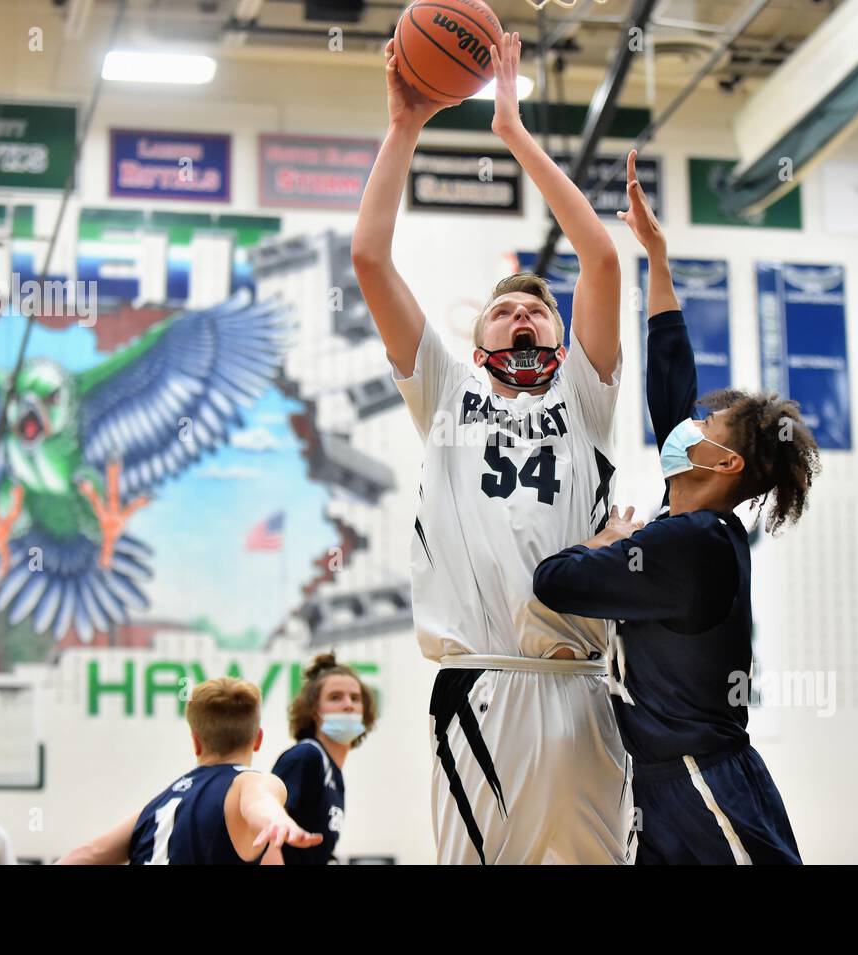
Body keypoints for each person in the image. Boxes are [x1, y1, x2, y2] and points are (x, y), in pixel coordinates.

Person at [352, 33, 629, 864]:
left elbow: (602, 256)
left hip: (583, 688)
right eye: (504, 310)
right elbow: (368, 257)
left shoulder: (585, 397)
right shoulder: (445, 391)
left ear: (560, 332)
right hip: (478, 685)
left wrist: (512, 129)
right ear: (474, 339)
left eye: (537, 310)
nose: (522, 315)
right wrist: (404, 126)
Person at [532, 150, 820, 865]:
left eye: (704, 426)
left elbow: (554, 581)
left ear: (722, 463)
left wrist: (604, 541)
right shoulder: (696, 519)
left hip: (703, 784)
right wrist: (657, 259)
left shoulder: (691, 543)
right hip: (664, 784)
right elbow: (669, 378)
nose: (685, 426)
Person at [56, 677, 320, 865]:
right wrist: (277, 820)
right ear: (258, 739)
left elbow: (87, 853)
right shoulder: (249, 782)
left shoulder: (158, 806)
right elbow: (260, 803)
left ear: (195, 741)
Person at [271, 653, 376, 864]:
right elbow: (267, 830)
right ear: (314, 712)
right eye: (335, 697)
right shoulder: (306, 756)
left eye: (355, 698)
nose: (348, 705)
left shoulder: (335, 776)